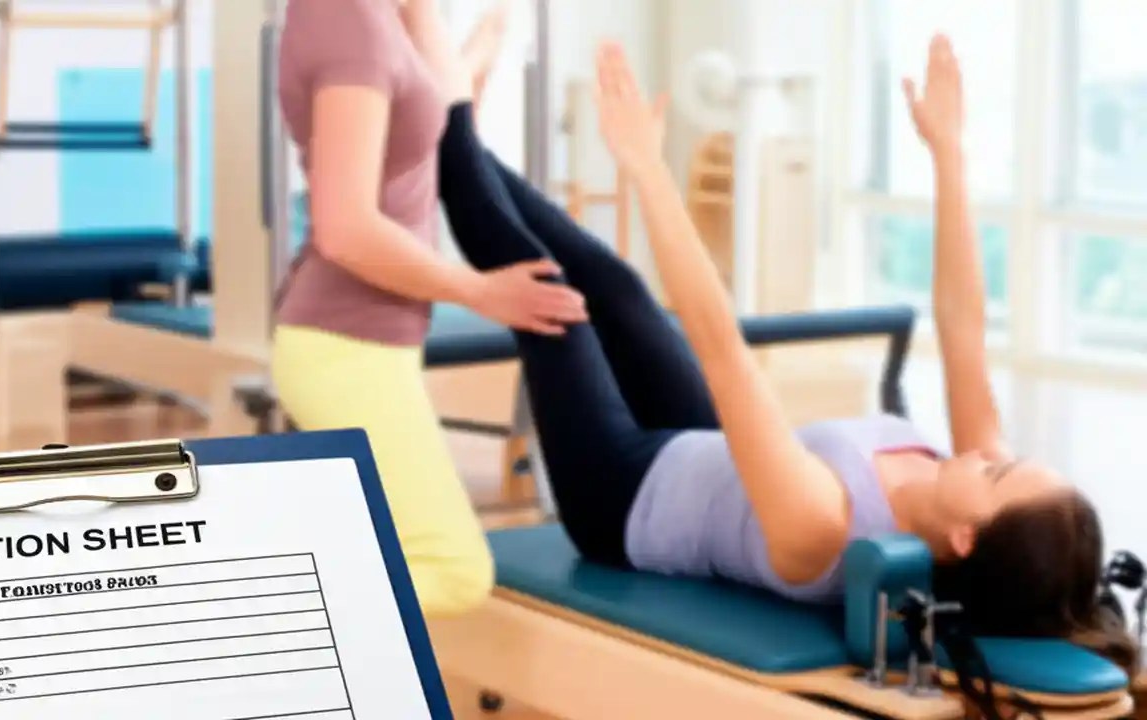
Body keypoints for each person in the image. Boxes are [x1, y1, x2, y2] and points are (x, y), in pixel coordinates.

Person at [432, 33, 1139, 700]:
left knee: (545, 291)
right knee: (615, 288)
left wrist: (648, 172)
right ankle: (455, 139)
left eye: (999, 474)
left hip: (620, 498)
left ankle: (444, 113)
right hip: (695, 453)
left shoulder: (826, 527)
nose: (990, 454)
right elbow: (963, 325)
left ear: (964, 538)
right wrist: (948, 153)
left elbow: (720, 344)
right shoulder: (961, 484)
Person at [272, 0, 588, 618]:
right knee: (452, 569)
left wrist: (492, 29)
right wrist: (479, 290)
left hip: (368, 345)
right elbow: (344, 227)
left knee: (392, 548)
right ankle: (224, 632)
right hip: (343, 346)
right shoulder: (350, 24)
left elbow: (444, 98)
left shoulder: (384, 18)